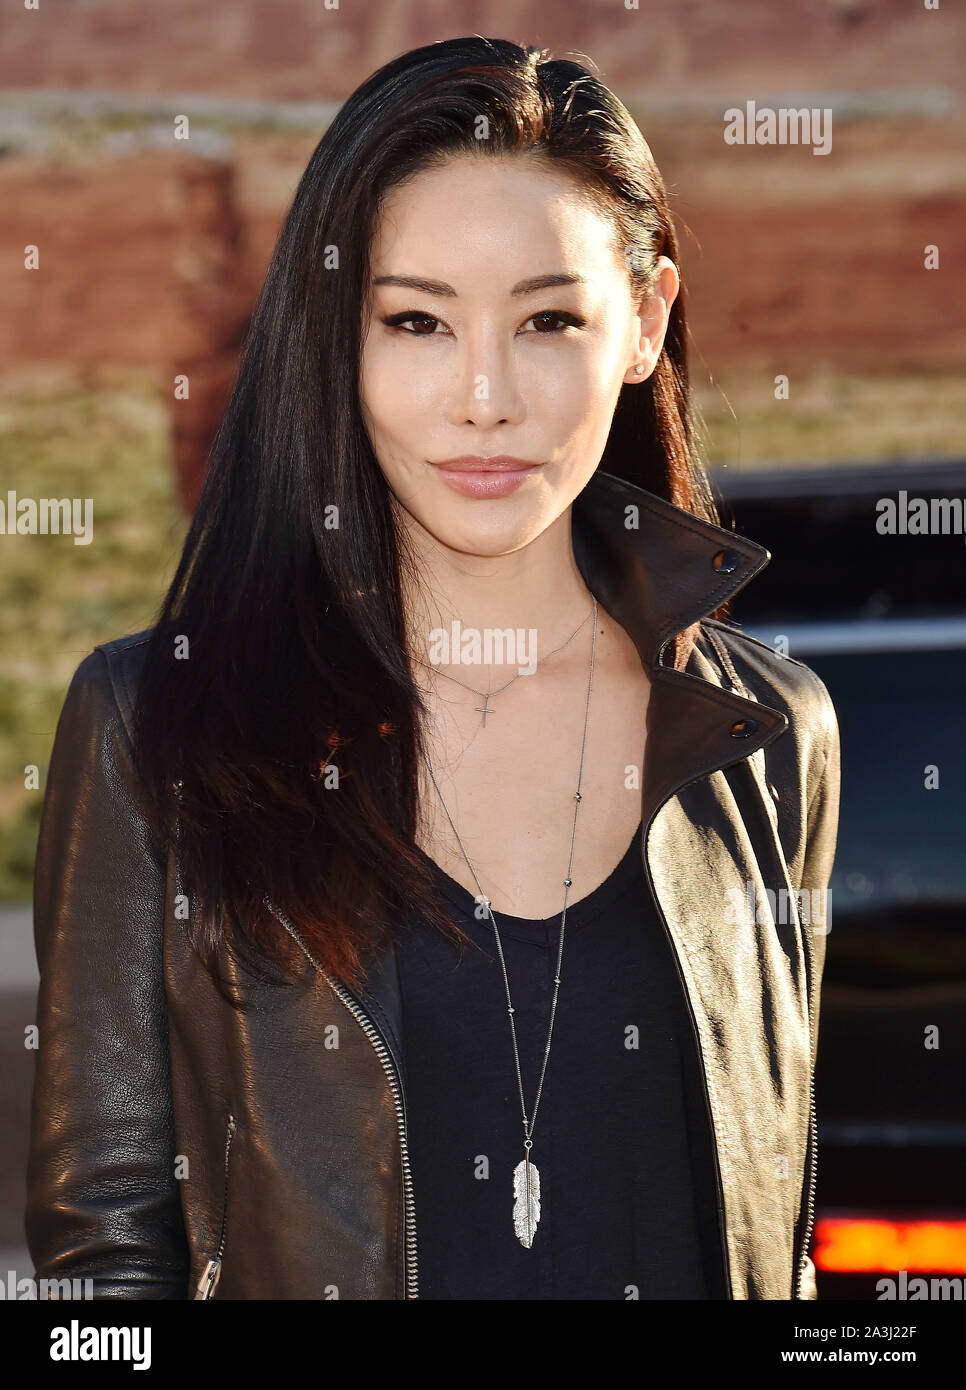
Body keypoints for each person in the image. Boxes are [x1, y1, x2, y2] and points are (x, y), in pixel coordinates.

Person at [25, 36, 840, 1301]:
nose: (483, 396)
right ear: (336, 340)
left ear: (646, 323)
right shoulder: (159, 730)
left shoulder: (773, 736)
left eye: (549, 319)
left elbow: (778, 1225)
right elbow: (102, 1270)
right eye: (416, 320)